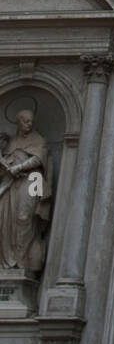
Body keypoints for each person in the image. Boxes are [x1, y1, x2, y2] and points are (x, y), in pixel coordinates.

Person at [0, 109, 52, 273]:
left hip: (31, 180)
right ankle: (6, 261)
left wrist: (19, 167)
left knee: (24, 217)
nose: (29, 124)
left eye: (31, 121)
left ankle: (21, 262)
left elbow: (38, 158)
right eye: (26, 121)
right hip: (10, 183)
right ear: (18, 122)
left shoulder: (38, 139)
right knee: (5, 219)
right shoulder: (11, 142)